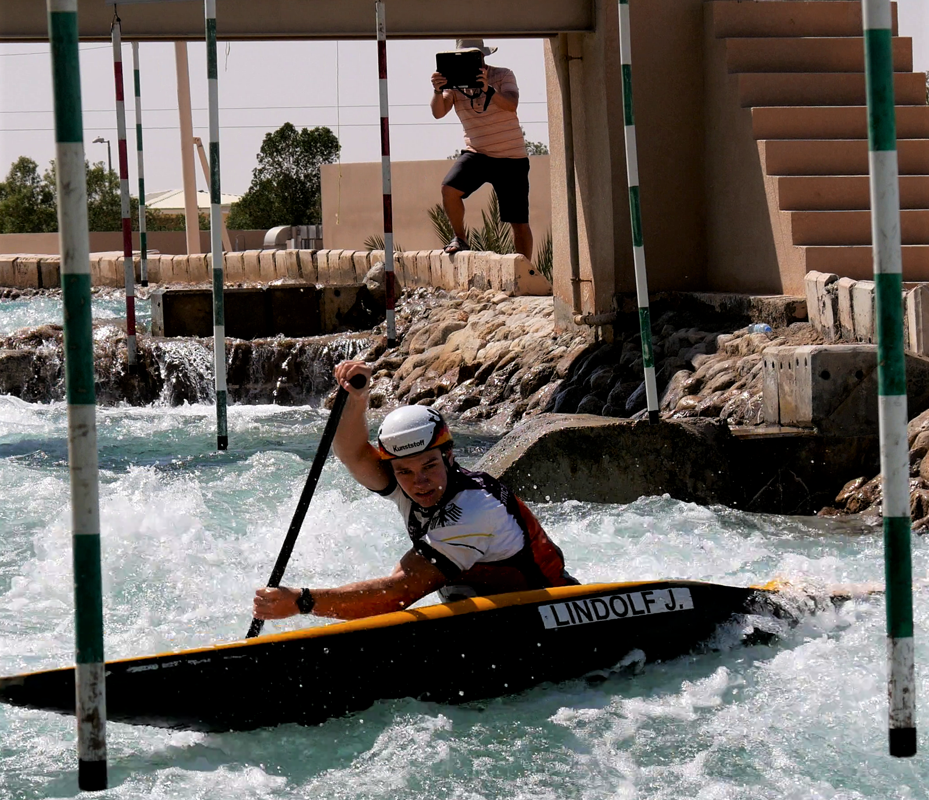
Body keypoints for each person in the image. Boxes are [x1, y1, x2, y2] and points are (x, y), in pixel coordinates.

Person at [253, 359, 576, 623]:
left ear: (449, 457)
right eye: (404, 471)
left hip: (549, 619)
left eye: (429, 466)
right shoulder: (405, 484)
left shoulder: (477, 510)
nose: (418, 482)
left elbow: (398, 594)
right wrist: (356, 399)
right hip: (485, 614)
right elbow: (353, 452)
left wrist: (301, 601)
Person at [430, 39, 534, 261]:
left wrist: (488, 89)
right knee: (449, 189)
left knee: (519, 221)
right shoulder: (455, 84)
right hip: (477, 153)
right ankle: (460, 238)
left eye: (473, 57)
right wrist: (438, 91)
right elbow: (438, 112)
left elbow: (511, 104)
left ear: (483, 57)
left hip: (511, 157)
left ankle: (525, 271)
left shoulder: (503, 75)